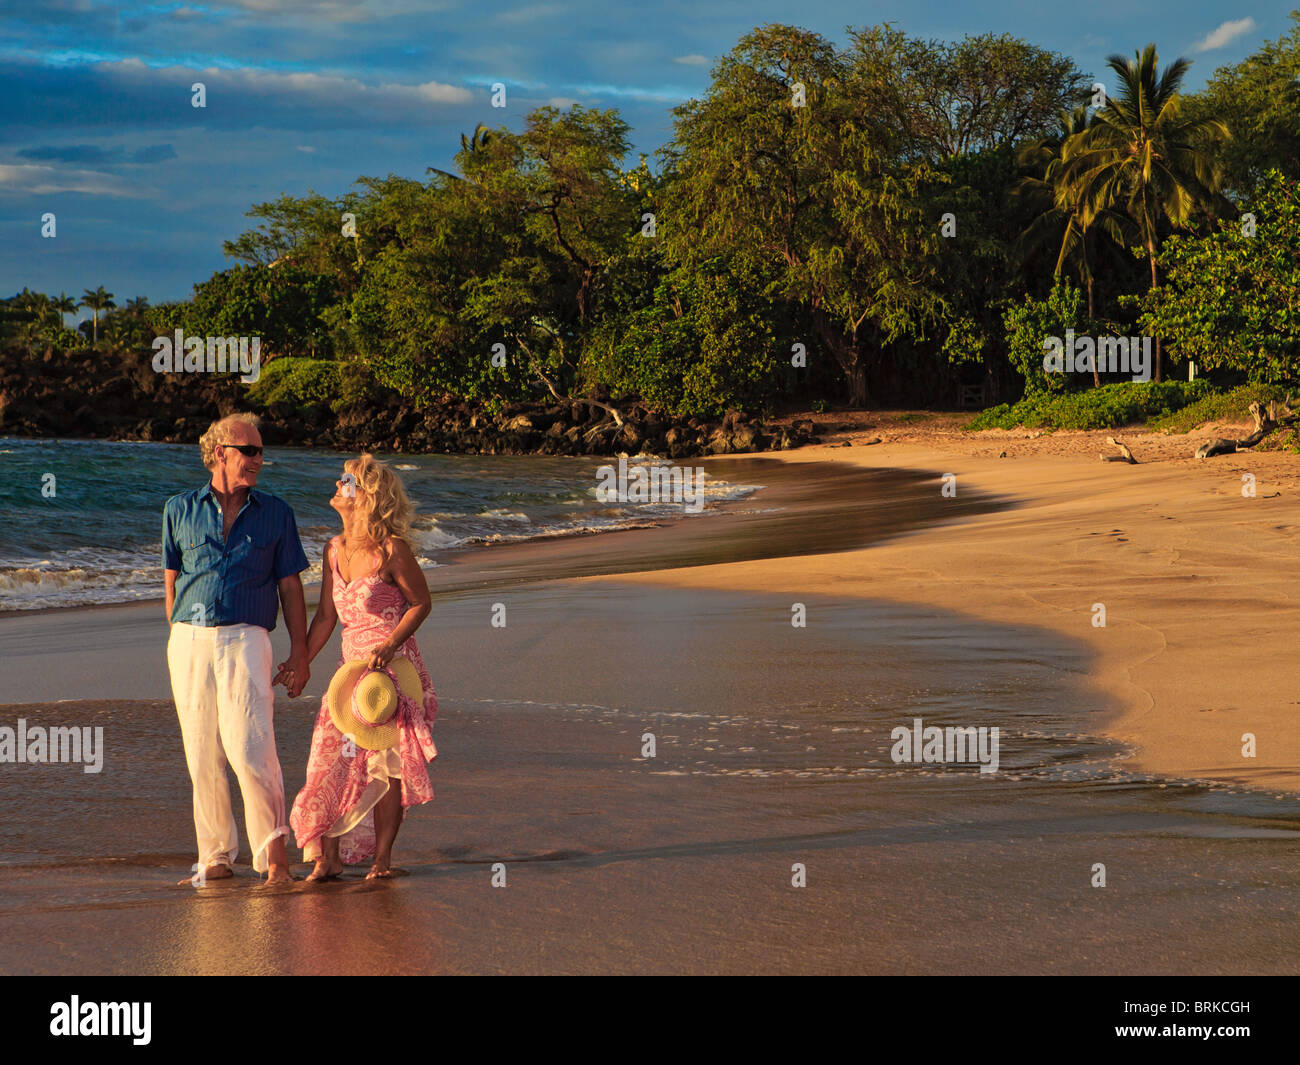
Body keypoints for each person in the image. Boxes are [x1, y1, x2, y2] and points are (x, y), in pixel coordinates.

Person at [162, 412, 311, 886]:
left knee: (251, 748)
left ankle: (275, 859)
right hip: (189, 641)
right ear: (220, 452)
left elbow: (290, 588)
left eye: (261, 452)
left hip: (246, 638)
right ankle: (216, 857)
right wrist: (184, 634)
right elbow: (171, 584)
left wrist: (301, 652)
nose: (258, 461)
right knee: (201, 754)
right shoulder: (177, 509)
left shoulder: (276, 513)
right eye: (249, 451)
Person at [287, 453, 436, 880]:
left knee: (384, 766)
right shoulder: (332, 549)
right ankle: (327, 858)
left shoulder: (392, 549)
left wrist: (390, 645)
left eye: (346, 482)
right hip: (346, 672)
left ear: (366, 496)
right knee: (329, 760)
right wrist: (301, 663)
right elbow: (326, 618)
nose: (337, 486)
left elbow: (421, 603)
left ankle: (382, 861)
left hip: (389, 673)